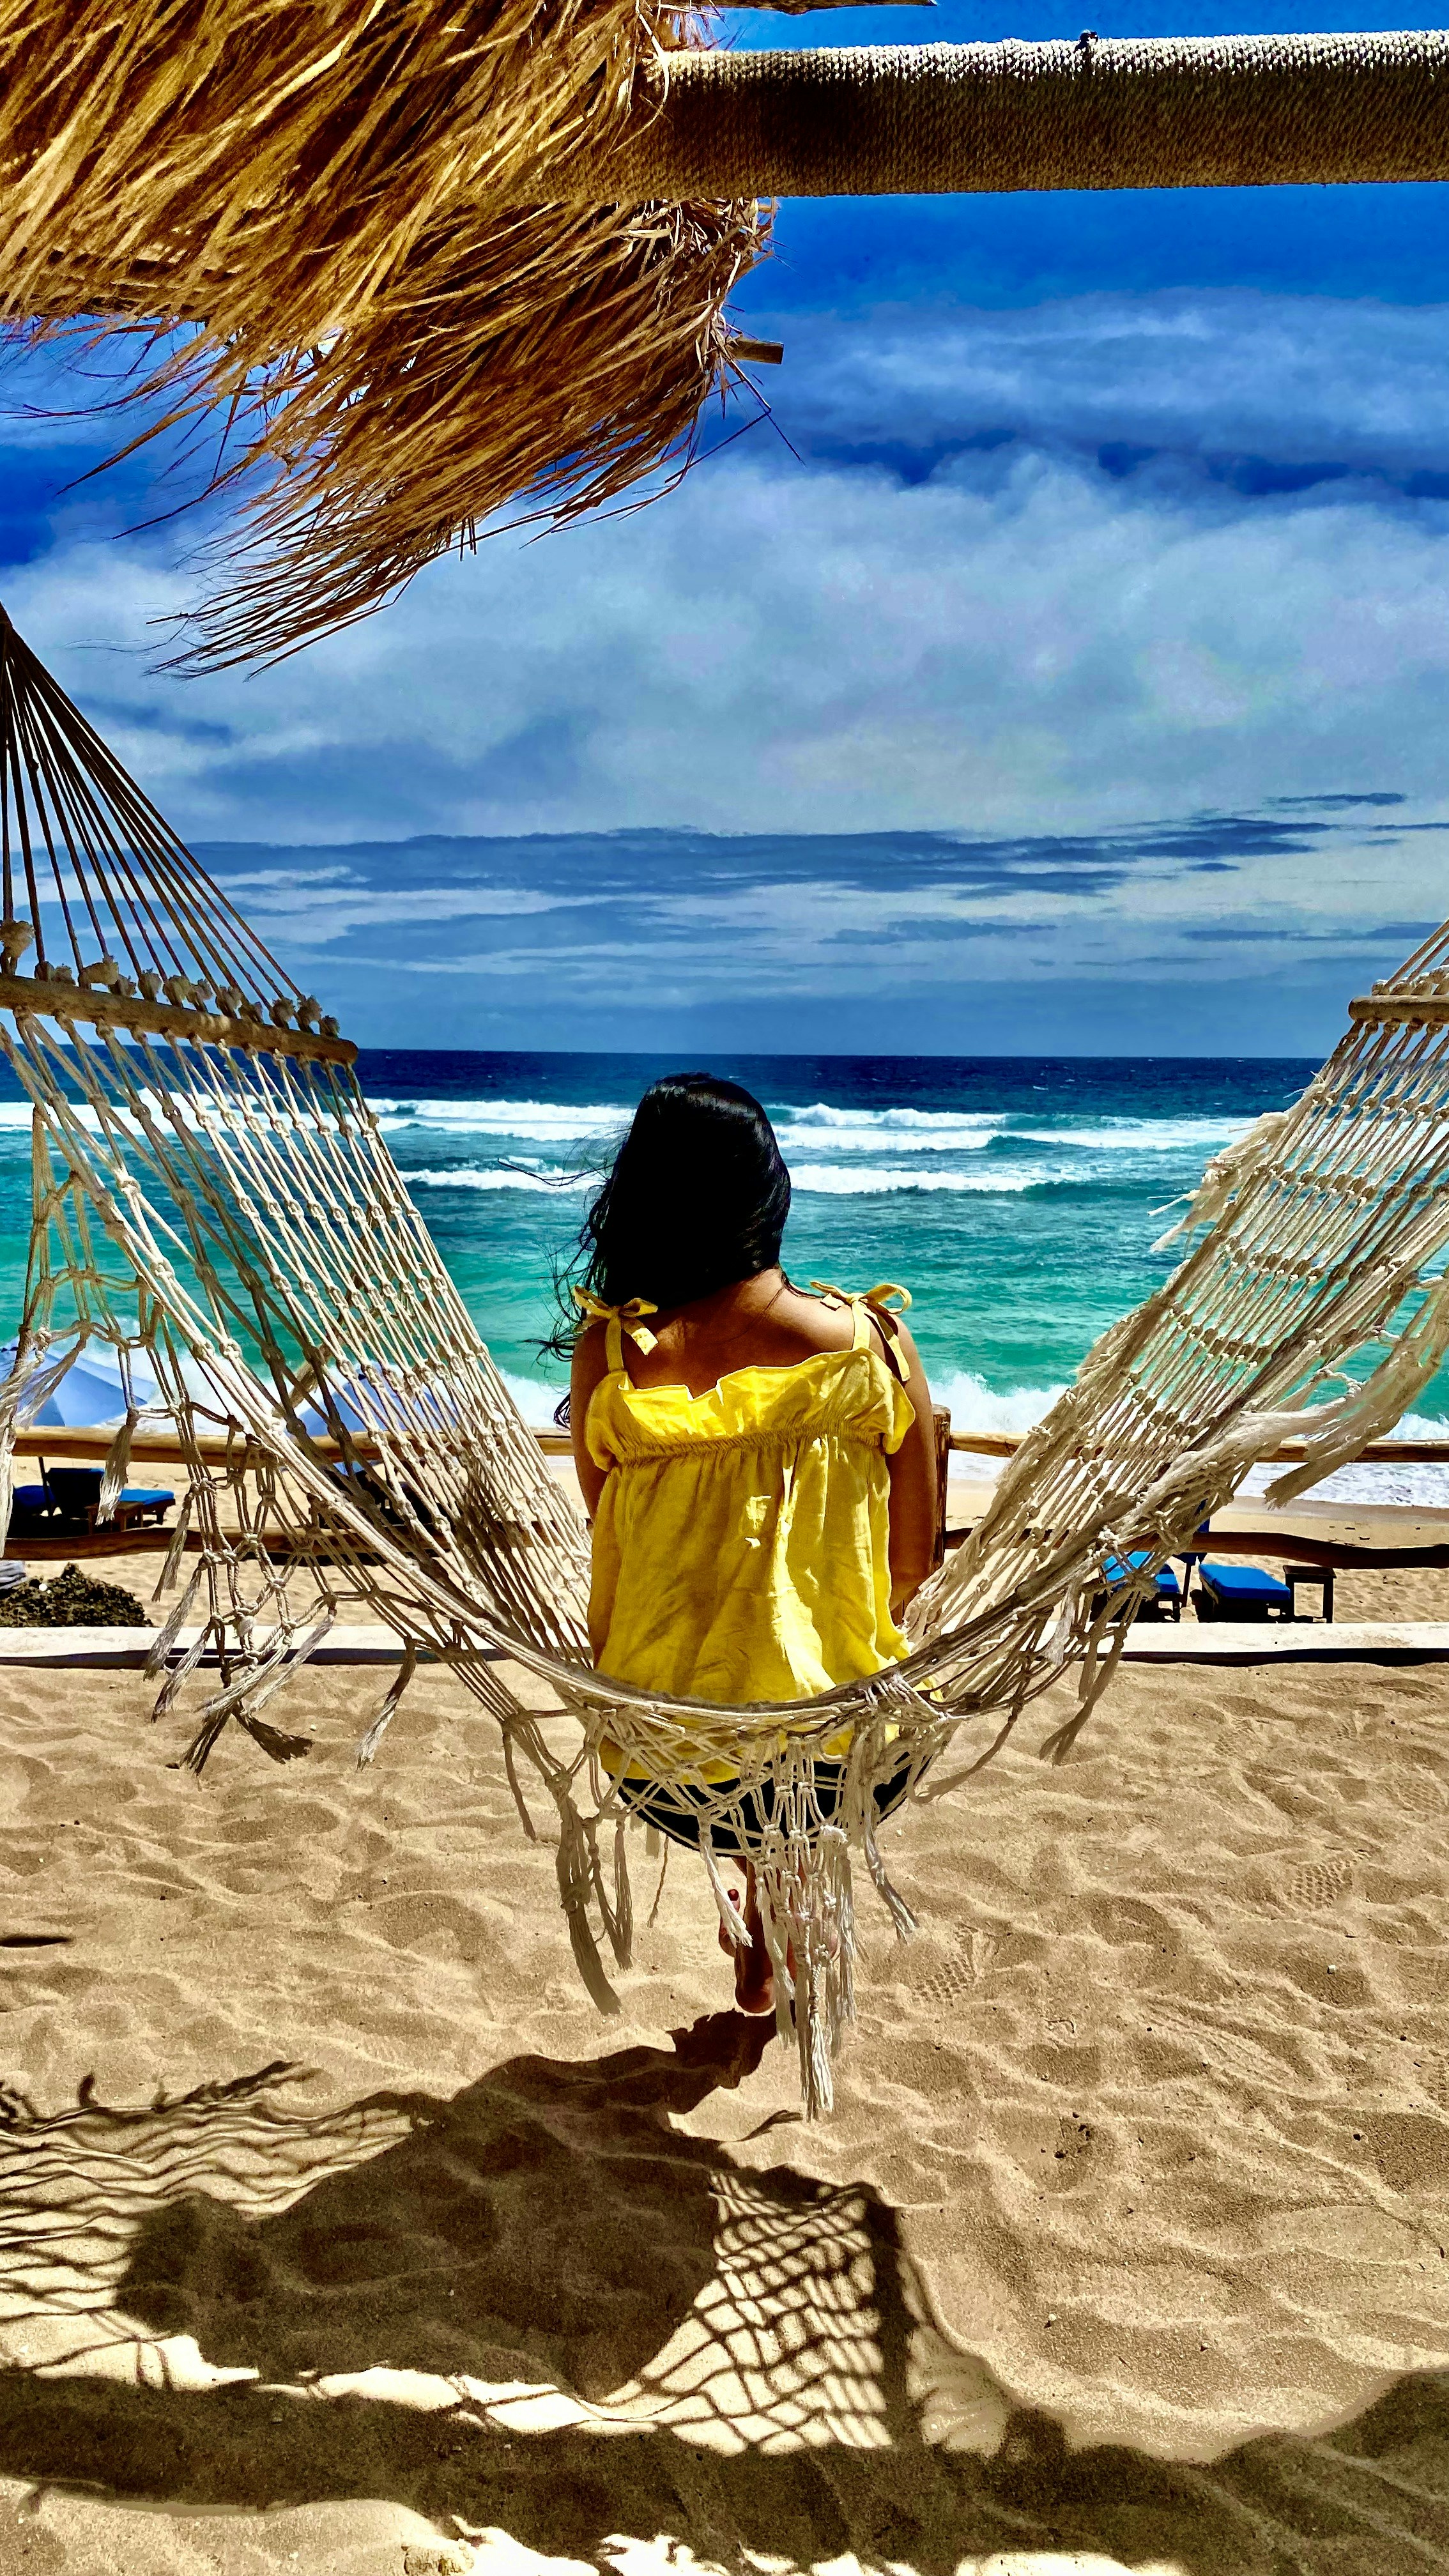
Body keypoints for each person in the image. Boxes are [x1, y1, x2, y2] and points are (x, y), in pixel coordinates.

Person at [564, 1072, 937, 2016]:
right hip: (849, 1747)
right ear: (773, 1192)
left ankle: (760, 1916)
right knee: (795, 1728)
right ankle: (779, 1900)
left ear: (640, 1199)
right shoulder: (874, 1344)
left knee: (732, 1728)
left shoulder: (609, 1355)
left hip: (666, 1754)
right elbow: (914, 1561)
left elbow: (613, 1534)